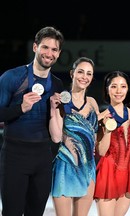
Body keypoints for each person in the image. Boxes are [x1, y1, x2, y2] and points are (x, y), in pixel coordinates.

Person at [0, 26, 64, 216]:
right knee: (12, 212)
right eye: (45, 47)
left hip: (43, 158)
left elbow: (57, 130)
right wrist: (21, 108)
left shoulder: (57, 85)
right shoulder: (12, 77)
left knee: (36, 212)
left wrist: (55, 111)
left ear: (59, 54)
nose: (49, 53)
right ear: (35, 47)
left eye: (54, 50)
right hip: (14, 156)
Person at [49, 57, 100, 216]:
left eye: (89, 73)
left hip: (87, 168)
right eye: (80, 72)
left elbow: (95, 135)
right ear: (72, 73)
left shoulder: (92, 103)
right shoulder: (61, 100)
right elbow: (56, 137)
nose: (84, 76)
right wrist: (52, 110)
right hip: (66, 167)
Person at [94, 71, 130, 216]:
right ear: (107, 90)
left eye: (123, 86)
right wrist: (106, 131)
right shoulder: (102, 117)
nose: (118, 91)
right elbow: (101, 151)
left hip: (128, 172)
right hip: (108, 172)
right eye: (114, 86)